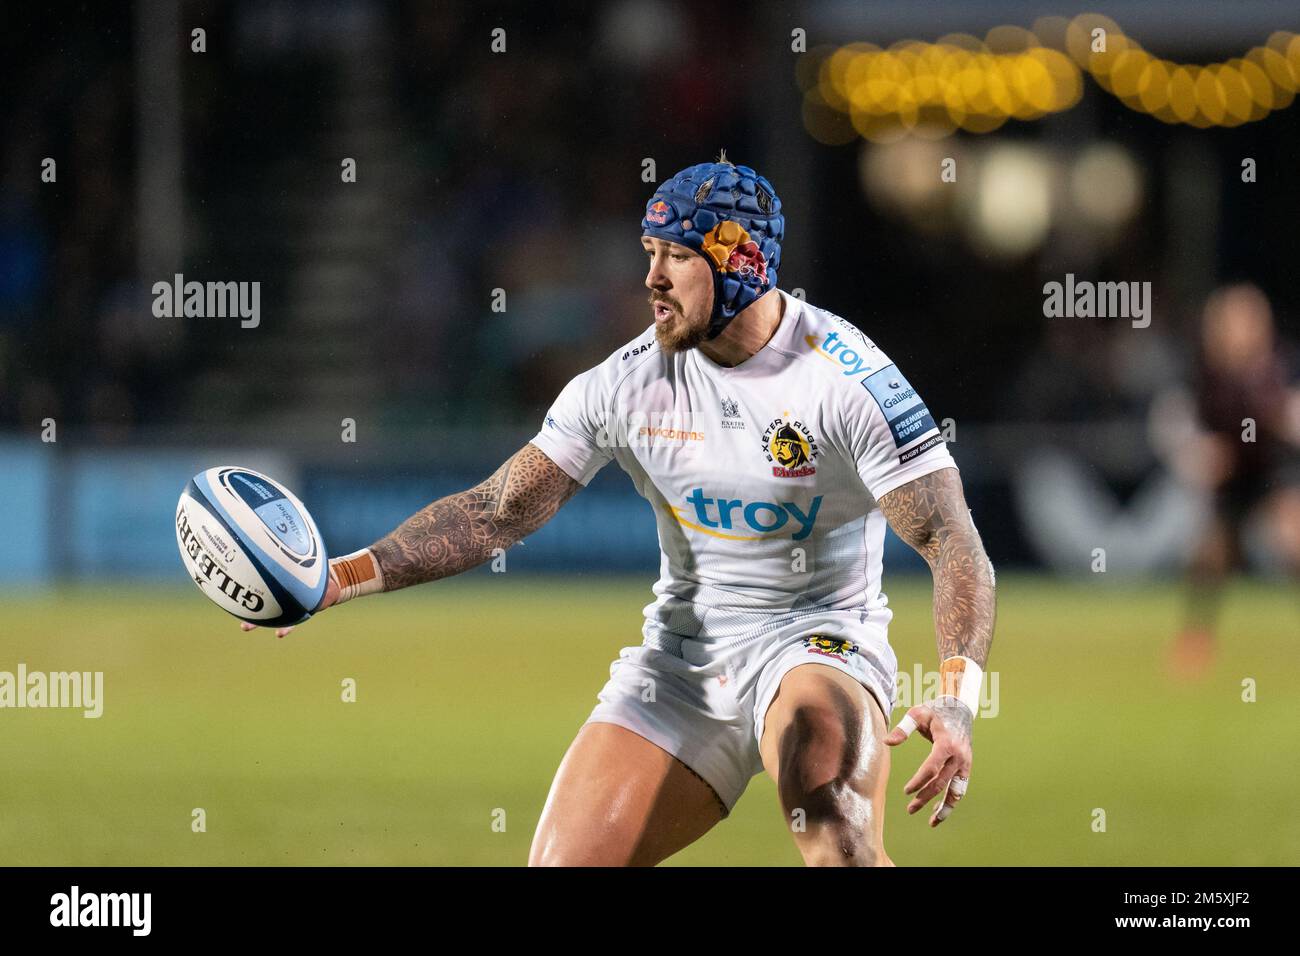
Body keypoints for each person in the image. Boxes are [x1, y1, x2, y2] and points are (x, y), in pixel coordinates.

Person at [244, 155, 997, 866]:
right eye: (650, 252)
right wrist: (340, 577)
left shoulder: (846, 381)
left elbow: (949, 538)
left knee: (835, 828)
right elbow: (497, 512)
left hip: (818, 641)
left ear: (741, 262)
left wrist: (959, 699)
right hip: (682, 659)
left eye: (676, 256)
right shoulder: (625, 383)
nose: (652, 278)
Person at [1170, 283, 1300, 676]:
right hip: (1232, 481)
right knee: (1210, 556)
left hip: (1275, 471)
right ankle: (1196, 639)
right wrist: (1204, 454)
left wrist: (1280, 421)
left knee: (1293, 544)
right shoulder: (1206, 375)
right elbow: (1182, 426)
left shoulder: (1279, 368)